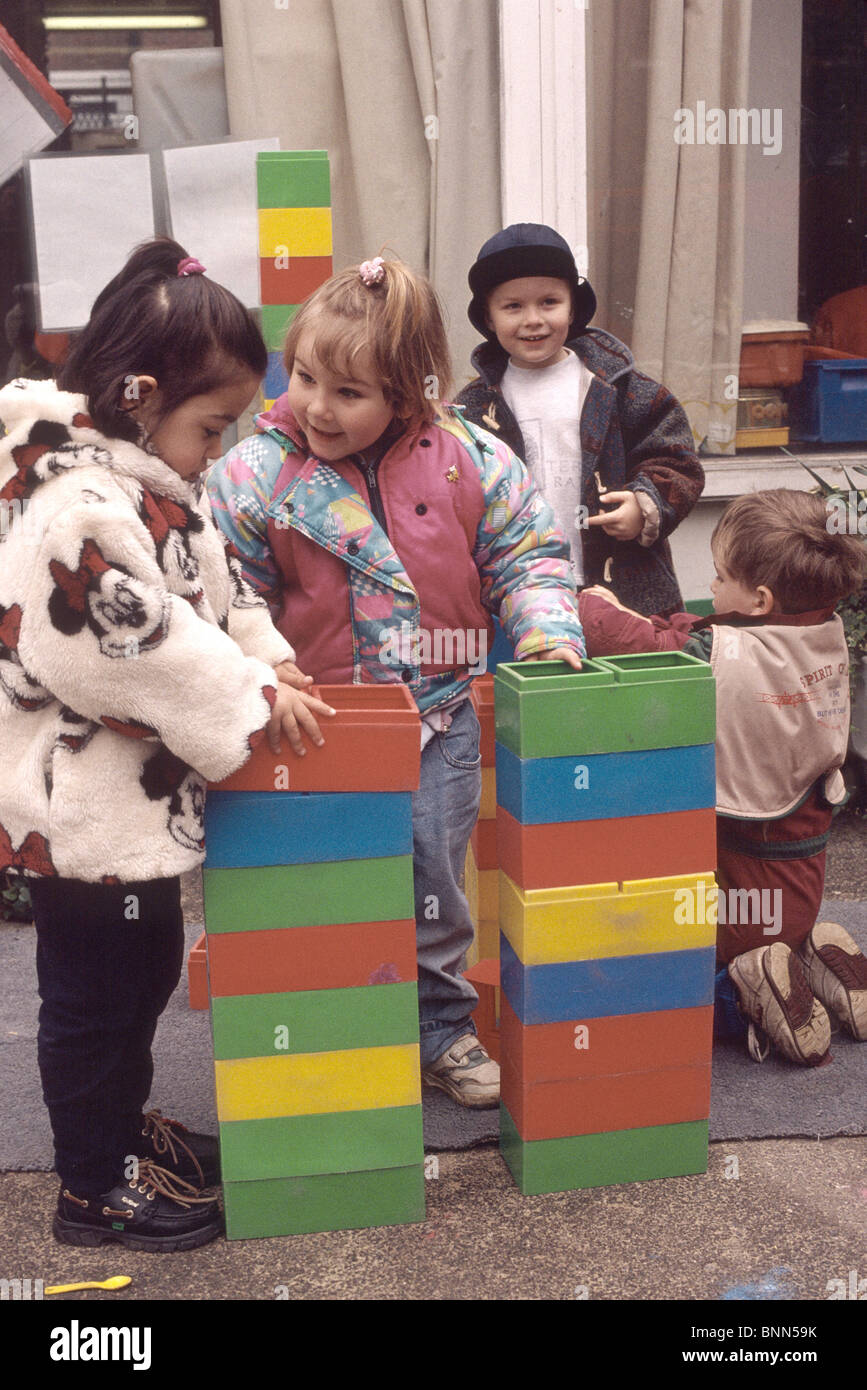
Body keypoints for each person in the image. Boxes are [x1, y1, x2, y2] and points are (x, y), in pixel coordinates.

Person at [0, 238, 333, 1251]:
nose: (219, 450)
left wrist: (269, 660)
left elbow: (217, 600)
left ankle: (119, 1128)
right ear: (139, 398)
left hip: (127, 814)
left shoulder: (154, 494)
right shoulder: (77, 506)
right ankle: (93, 1185)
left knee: (136, 977)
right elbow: (128, 643)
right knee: (96, 998)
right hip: (81, 815)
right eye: (211, 426)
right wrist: (246, 693)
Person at [208, 253, 585, 1107]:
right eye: (304, 376)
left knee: (432, 888)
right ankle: (325, 1033)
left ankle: (439, 1028)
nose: (316, 406)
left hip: (436, 718)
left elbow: (525, 555)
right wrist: (260, 673)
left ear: (409, 392)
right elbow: (222, 589)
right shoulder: (256, 473)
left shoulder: (466, 458)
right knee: (316, 887)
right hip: (308, 727)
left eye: (348, 392)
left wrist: (547, 633)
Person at [578, 489, 867, 1066]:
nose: (710, 587)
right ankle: (807, 960)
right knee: (779, 932)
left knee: (671, 993)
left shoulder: (717, 654)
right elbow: (712, 632)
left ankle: (750, 985)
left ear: (759, 599)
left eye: (719, 576)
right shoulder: (817, 629)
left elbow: (649, 644)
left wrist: (590, 604)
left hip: (741, 897)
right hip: (799, 878)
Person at [454, 223, 705, 617]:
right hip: (517, 587)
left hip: (621, 585)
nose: (533, 319)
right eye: (513, 306)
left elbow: (677, 458)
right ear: (488, 317)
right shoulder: (472, 408)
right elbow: (452, 491)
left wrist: (644, 504)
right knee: (537, 676)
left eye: (549, 302)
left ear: (574, 307)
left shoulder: (619, 387)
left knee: (625, 676)